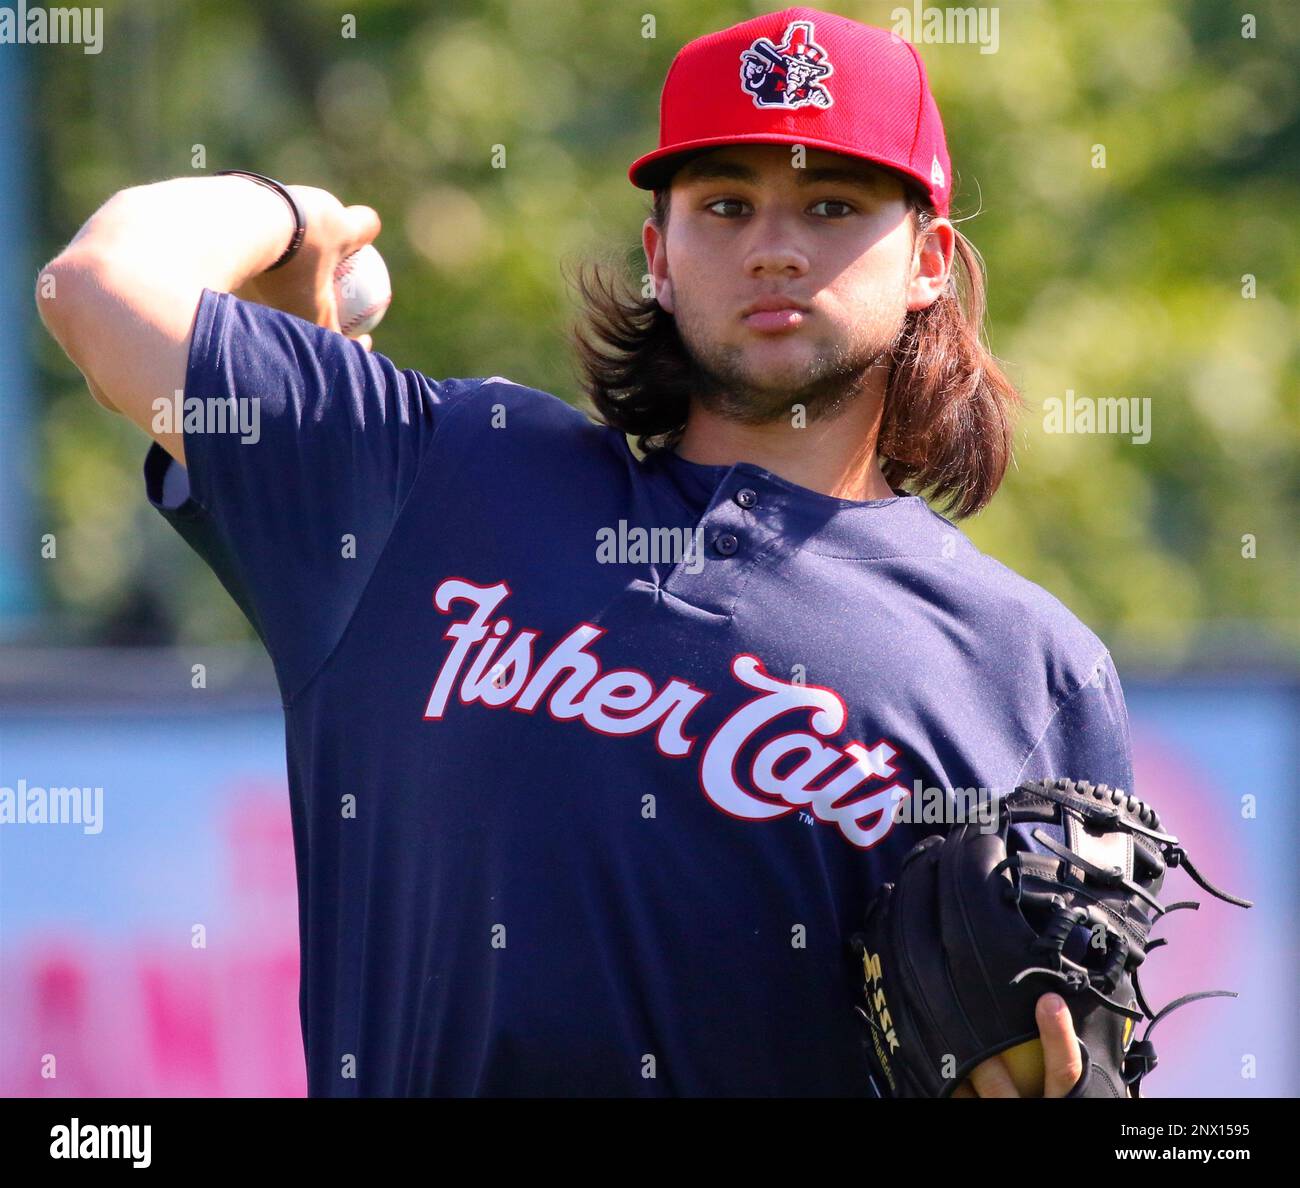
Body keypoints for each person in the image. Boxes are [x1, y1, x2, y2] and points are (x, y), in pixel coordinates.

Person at [35, 7, 1132, 1097]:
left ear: (928, 259)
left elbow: (1083, 1067)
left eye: (832, 204)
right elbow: (95, 286)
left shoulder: (1026, 665)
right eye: (726, 204)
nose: (775, 247)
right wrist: (290, 212)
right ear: (658, 254)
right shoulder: (437, 482)